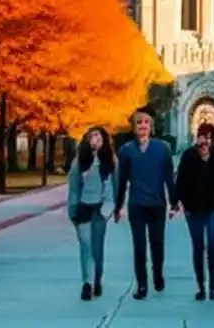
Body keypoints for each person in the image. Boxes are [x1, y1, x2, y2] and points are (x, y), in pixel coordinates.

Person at [113, 108, 179, 300]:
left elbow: (169, 178)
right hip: (137, 205)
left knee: (157, 244)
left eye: (146, 123)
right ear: (133, 127)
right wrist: (118, 207)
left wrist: (174, 202)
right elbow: (122, 180)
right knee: (139, 246)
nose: (143, 126)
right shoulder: (126, 151)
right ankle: (142, 284)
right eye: (139, 122)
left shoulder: (162, 149)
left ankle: (158, 274)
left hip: (157, 204)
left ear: (152, 128)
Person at [174, 122, 214, 301]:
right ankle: (201, 286)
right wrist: (175, 202)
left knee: (213, 245)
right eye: (202, 136)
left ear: (213, 139)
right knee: (198, 246)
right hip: (193, 209)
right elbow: (181, 181)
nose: (205, 141)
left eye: (209, 137)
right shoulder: (189, 156)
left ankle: (213, 283)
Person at [67, 125, 117, 301]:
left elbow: (116, 187)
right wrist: (72, 209)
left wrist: (109, 210)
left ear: (103, 139)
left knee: (97, 248)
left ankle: (97, 279)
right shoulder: (79, 161)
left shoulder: (111, 161)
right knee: (85, 247)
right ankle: (86, 283)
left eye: (97, 136)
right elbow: (73, 188)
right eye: (90, 137)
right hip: (83, 208)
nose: (94, 139)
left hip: (100, 210)